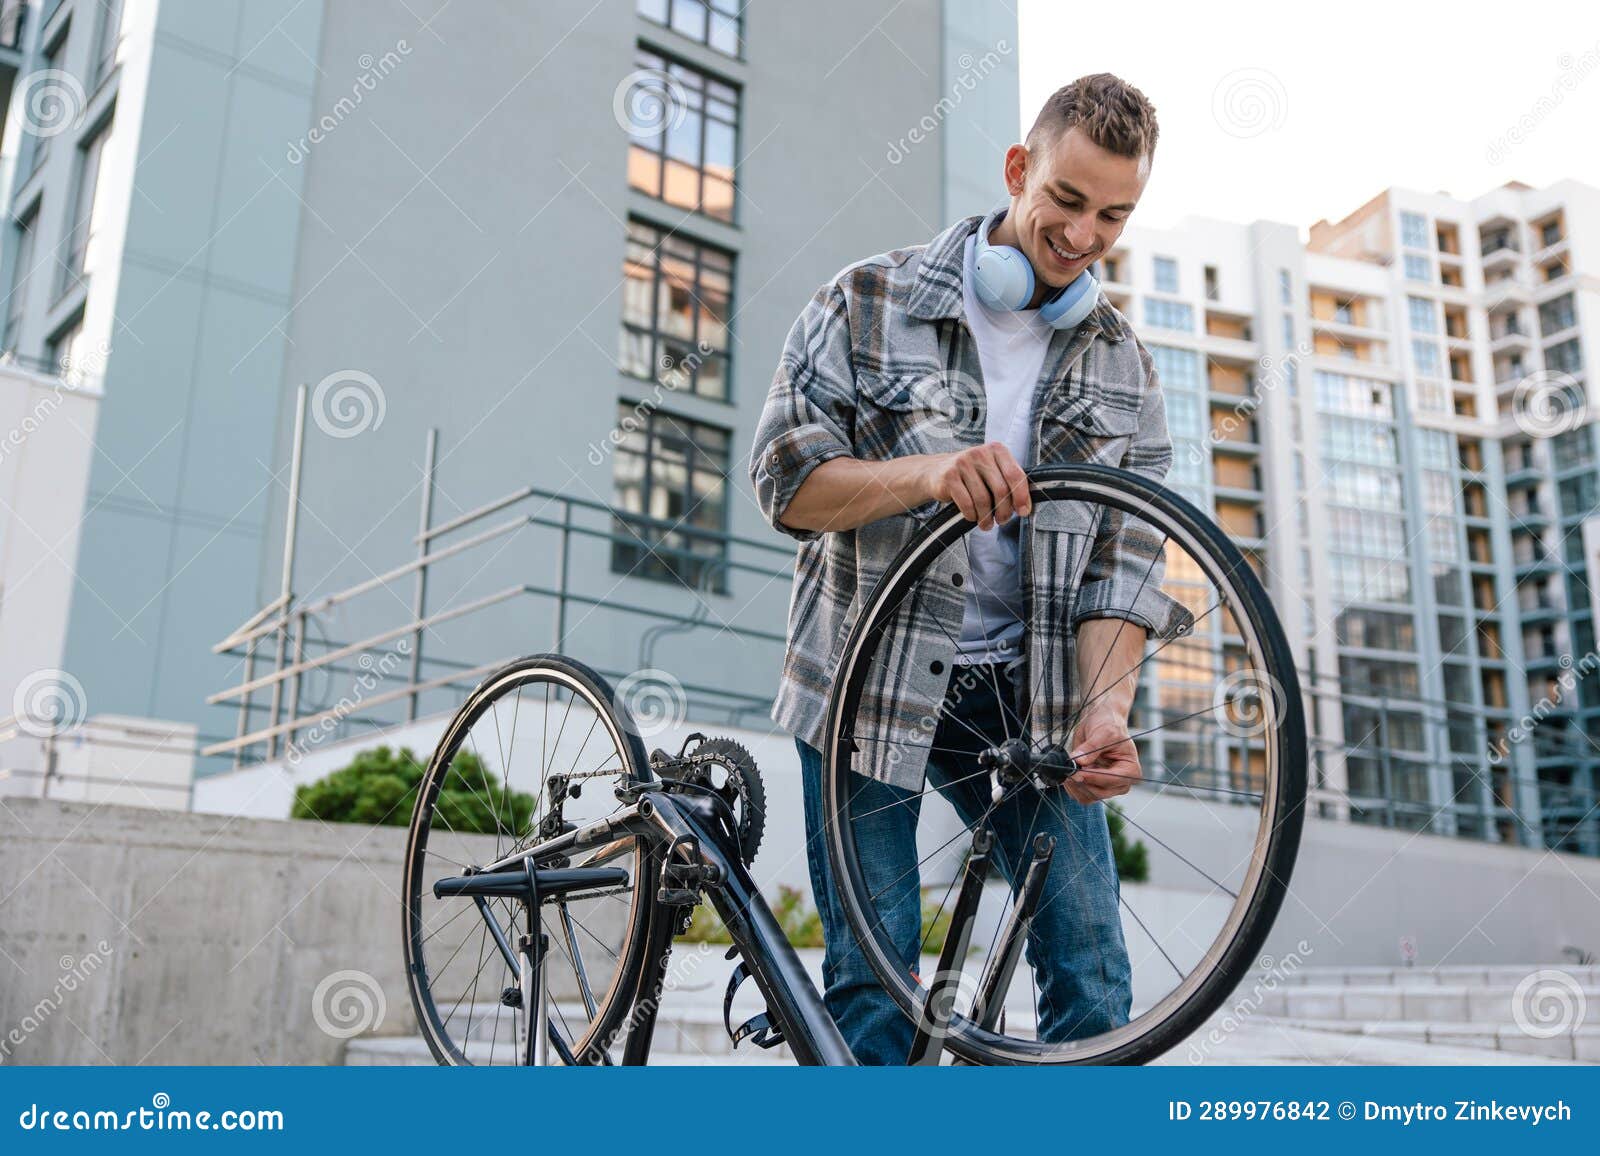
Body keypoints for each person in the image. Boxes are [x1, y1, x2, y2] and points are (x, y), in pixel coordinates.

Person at [748, 73, 1192, 1064]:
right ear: (1016, 169)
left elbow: (1122, 567)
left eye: (1112, 216)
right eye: (1065, 202)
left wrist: (1105, 707)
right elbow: (783, 484)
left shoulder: (1124, 368)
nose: (1082, 234)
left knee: (1091, 979)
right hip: (865, 686)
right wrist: (930, 473)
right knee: (878, 988)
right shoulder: (866, 300)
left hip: (1025, 701)